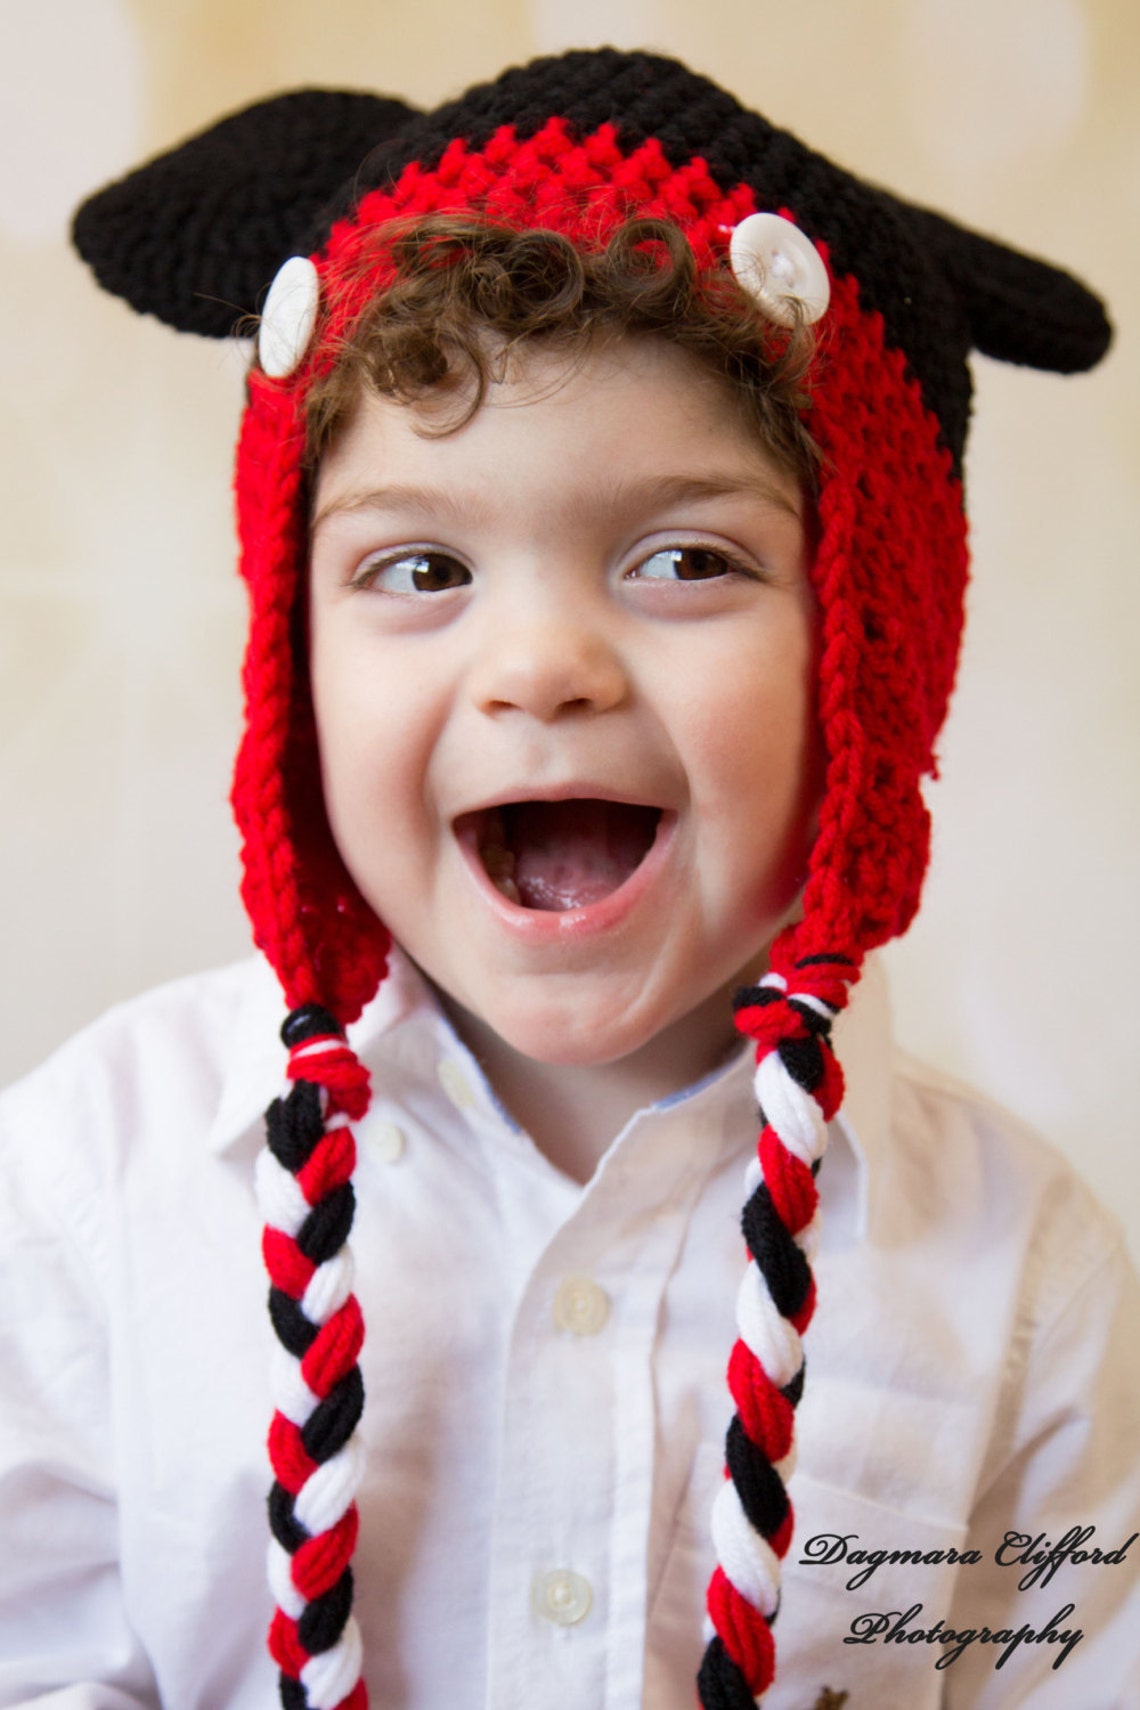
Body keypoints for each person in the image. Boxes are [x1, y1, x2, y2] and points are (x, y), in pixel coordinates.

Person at [1, 46, 1137, 1710]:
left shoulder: (1021, 1283)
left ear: (873, 654)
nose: (541, 664)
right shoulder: (92, 1192)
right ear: (294, 658)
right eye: (421, 566)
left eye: (685, 557)